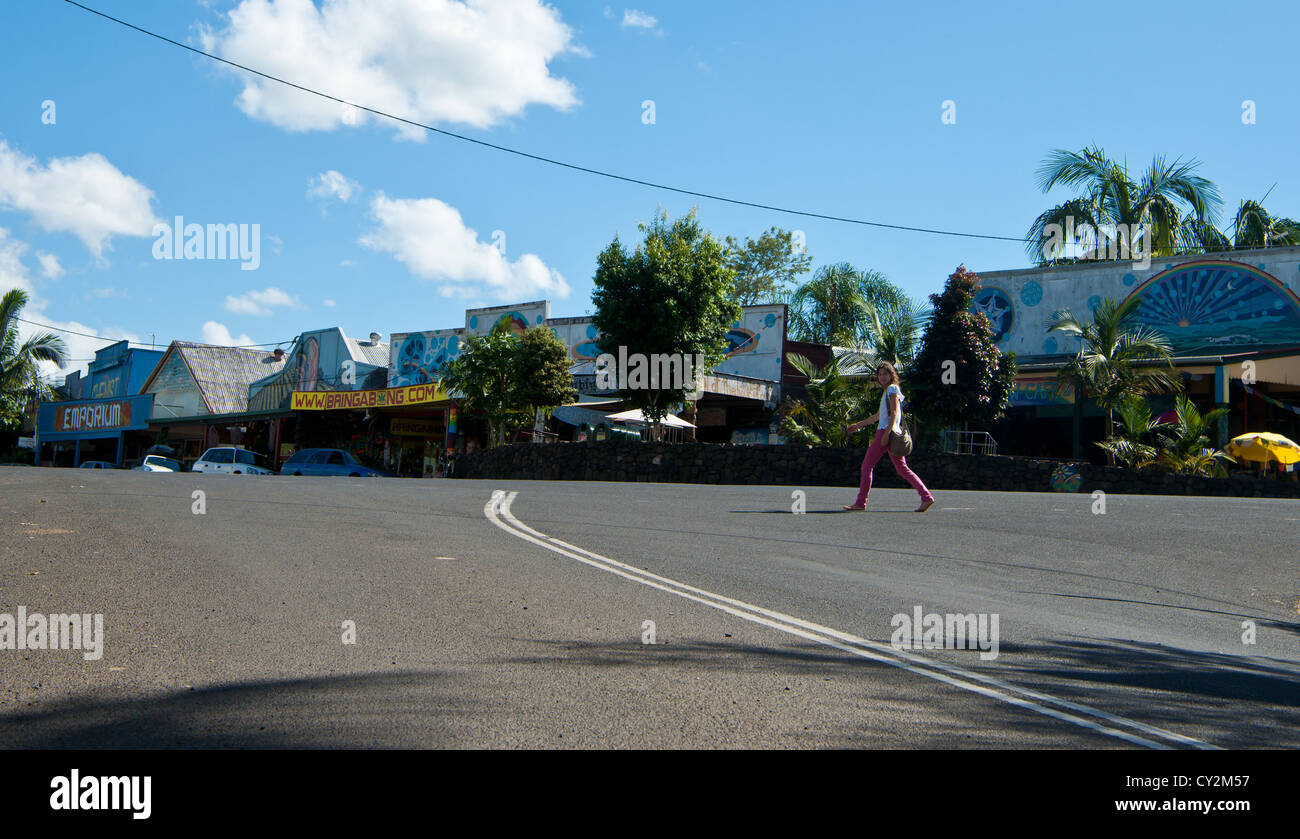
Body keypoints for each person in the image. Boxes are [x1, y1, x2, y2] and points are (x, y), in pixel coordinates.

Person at [843, 362, 935, 513]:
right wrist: (857, 425)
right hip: (890, 432)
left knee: (867, 466)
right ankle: (926, 497)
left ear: (891, 375)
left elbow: (894, 413)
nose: (882, 377)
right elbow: (878, 416)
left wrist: (886, 434)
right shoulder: (887, 391)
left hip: (886, 432)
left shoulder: (892, 389)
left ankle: (860, 502)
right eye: (880, 374)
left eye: (885, 374)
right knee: (902, 469)